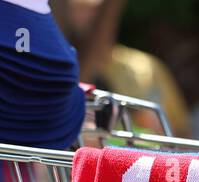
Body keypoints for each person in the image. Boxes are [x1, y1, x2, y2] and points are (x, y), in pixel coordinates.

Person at [51, 0, 191, 137]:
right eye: (82, 8)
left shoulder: (144, 69)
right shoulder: (52, 67)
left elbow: (180, 136)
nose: (92, 13)